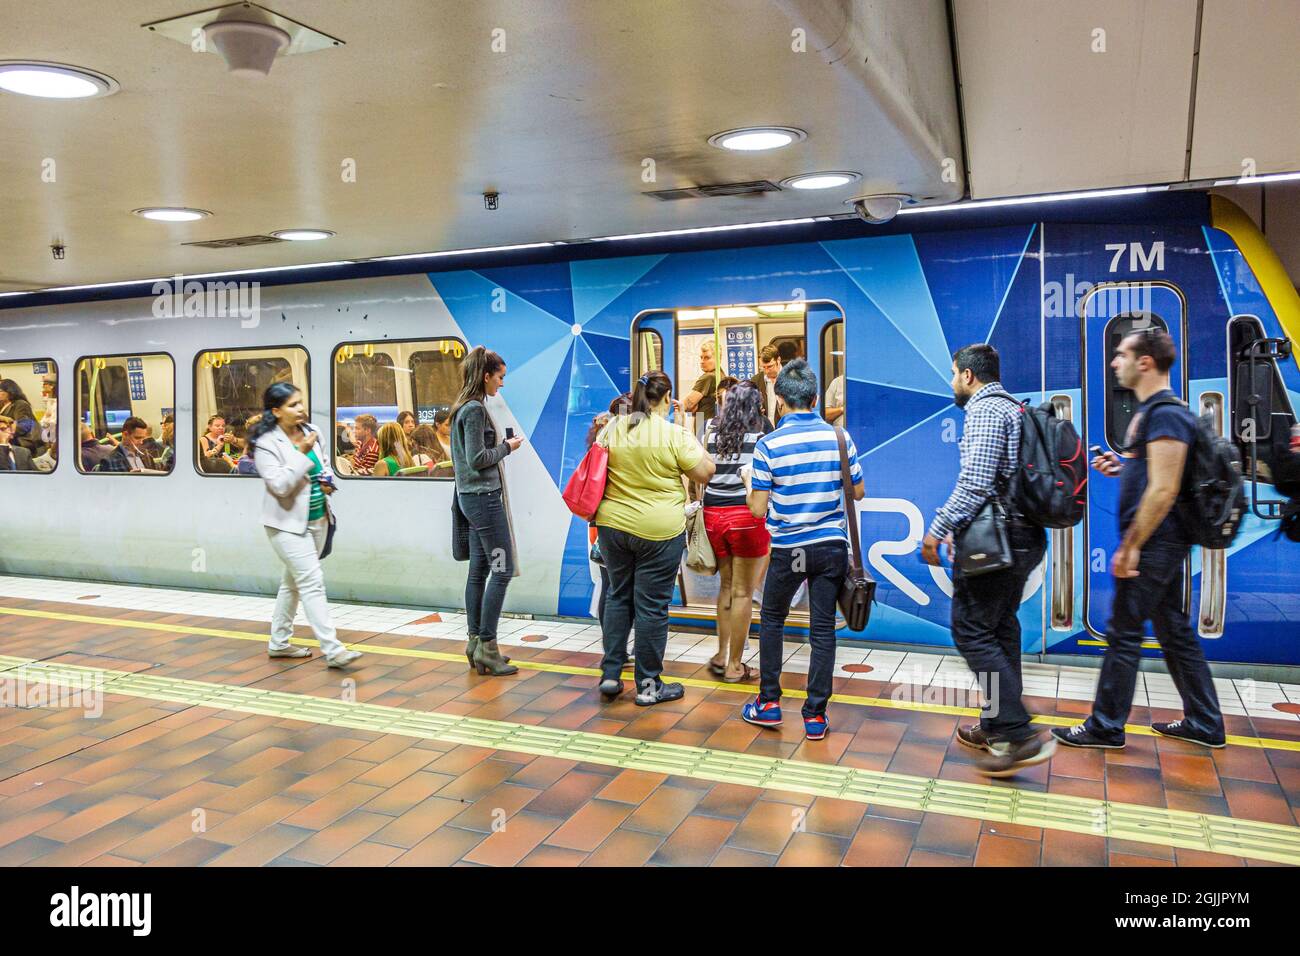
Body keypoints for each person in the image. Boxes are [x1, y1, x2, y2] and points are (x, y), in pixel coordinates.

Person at [1052, 328, 1225, 751]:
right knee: (1174, 632)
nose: (1115, 363)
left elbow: (1164, 489)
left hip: (1155, 545)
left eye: (1122, 355)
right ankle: (1205, 721)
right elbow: (1156, 473)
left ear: (1145, 362)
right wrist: (1123, 466)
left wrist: (1131, 546)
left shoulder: (1165, 414)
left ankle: (1105, 726)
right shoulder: (1154, 413)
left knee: (1124, 632)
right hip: (1163, 543)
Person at [920, 343, 1052, 776]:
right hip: (1024, 536)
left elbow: (976, 482)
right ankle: (996, 724)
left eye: (954, 373)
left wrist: (938, 528)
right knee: (999, 628)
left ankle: (1018, 732)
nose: (952, 381)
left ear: (969, 376)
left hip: (1000, 540)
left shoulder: (984, 411)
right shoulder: (1015, 408)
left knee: (971, 629)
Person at [741, 359, 862, 741]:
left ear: (780, 400)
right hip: (830, 547)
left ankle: (769, 703)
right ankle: (814, 715)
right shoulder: (841, 438)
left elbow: (758, 509)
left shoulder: (768, 445)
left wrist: (754, 488)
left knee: (773, 620)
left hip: (789, 547)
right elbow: (857, 491)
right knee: (823, 628)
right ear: (814, 397)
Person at [594, 371, 715, 705]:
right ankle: (648, 687)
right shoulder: (672, 433)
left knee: (619, 596)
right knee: (651, 607)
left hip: (613, 529)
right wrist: (688, 430)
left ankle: (610, 674)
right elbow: (705, 471)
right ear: (667, 397)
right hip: (659, 532)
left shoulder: (613, 428)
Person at [249, 382, 361, 668]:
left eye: (301, 402)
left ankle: (279, 643)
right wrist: (299, 453)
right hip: (285, 525)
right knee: (311, 582)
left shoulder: (313, 432)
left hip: (317, 518)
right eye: (292, 405)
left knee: (292, 584)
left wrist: (327, 481)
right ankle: (333, 650)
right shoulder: (265, 444)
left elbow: (323, 464)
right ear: (275, 411)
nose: (301, 409)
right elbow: (280, 486)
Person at [451, 346, 524, 677]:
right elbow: (477, 458)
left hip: (471, 499)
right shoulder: (475, 411)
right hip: (484, 499)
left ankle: (475, 641)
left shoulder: (463, 408)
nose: (502, 384)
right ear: (485, 376)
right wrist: (507, 447)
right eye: (500, 377)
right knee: (503, 569)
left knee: (479, 570)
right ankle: (488, 646)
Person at [703, 380, 771, 682]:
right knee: (744, 592)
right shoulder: (762, 432)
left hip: (713, 515)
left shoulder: (711, 429)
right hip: (744, 516)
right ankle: (734, 665)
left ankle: (720, 654)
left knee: (727, 587)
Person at [681, 338, 719, 437]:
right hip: (713, 429)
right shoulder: (720, 375)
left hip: (704, 430)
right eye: (701, 357)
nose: (702, 361)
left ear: (718, 358)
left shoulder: (708, 377)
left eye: (707, 358)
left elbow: (686, 405)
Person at [0, 379, 42, 457]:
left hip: (22, 446)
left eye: (0, 390)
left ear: (9, 391)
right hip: (9, 445)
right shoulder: (2, 405)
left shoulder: (20, 404)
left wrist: (5, 428)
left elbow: (24, 426)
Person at [748, 345, 784, 427]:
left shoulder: (790, 378)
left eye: (770, 366)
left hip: (784, 429)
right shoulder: (755, 380)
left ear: (778, 360)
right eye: (763, 367)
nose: (767, 371)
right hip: (764, 430)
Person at [39, 376, 57, 448]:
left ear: (52, 386)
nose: (43, 386)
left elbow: (52, 421)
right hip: (50, 435)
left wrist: (44, 421)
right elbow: (45, 420)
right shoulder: (50, 401)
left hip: (54, 434)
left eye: (44, 384)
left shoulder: (57, 402)